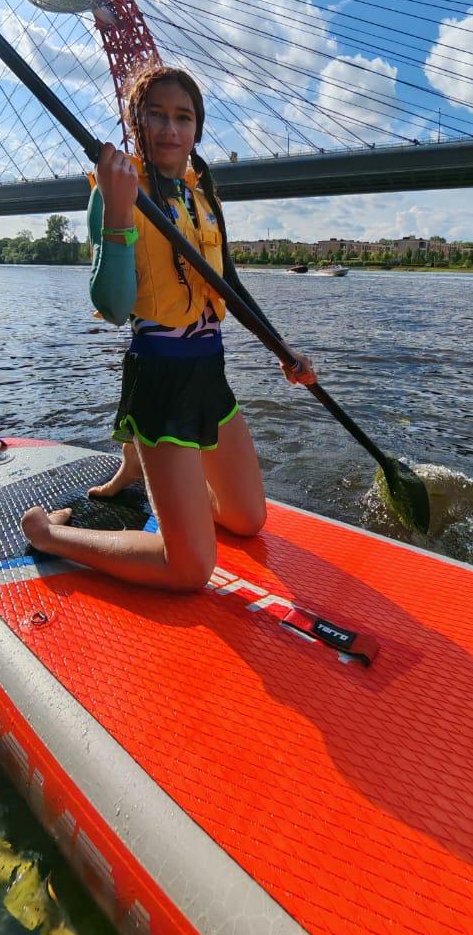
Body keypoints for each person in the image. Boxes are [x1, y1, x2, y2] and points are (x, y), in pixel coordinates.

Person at [22, 63, 315, 591]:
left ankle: (152, 475)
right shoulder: (116, 190)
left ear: (197, 128)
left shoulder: (204, 197)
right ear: (137, 123)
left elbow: (228, 284)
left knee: (248, 520)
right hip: (160, 382)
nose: (169, 129)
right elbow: (113, 306)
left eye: (183, 117)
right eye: (155, 115)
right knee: (189, 569)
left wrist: (283, 350)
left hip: (210, 378)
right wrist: (117, 213)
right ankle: (47, 533)